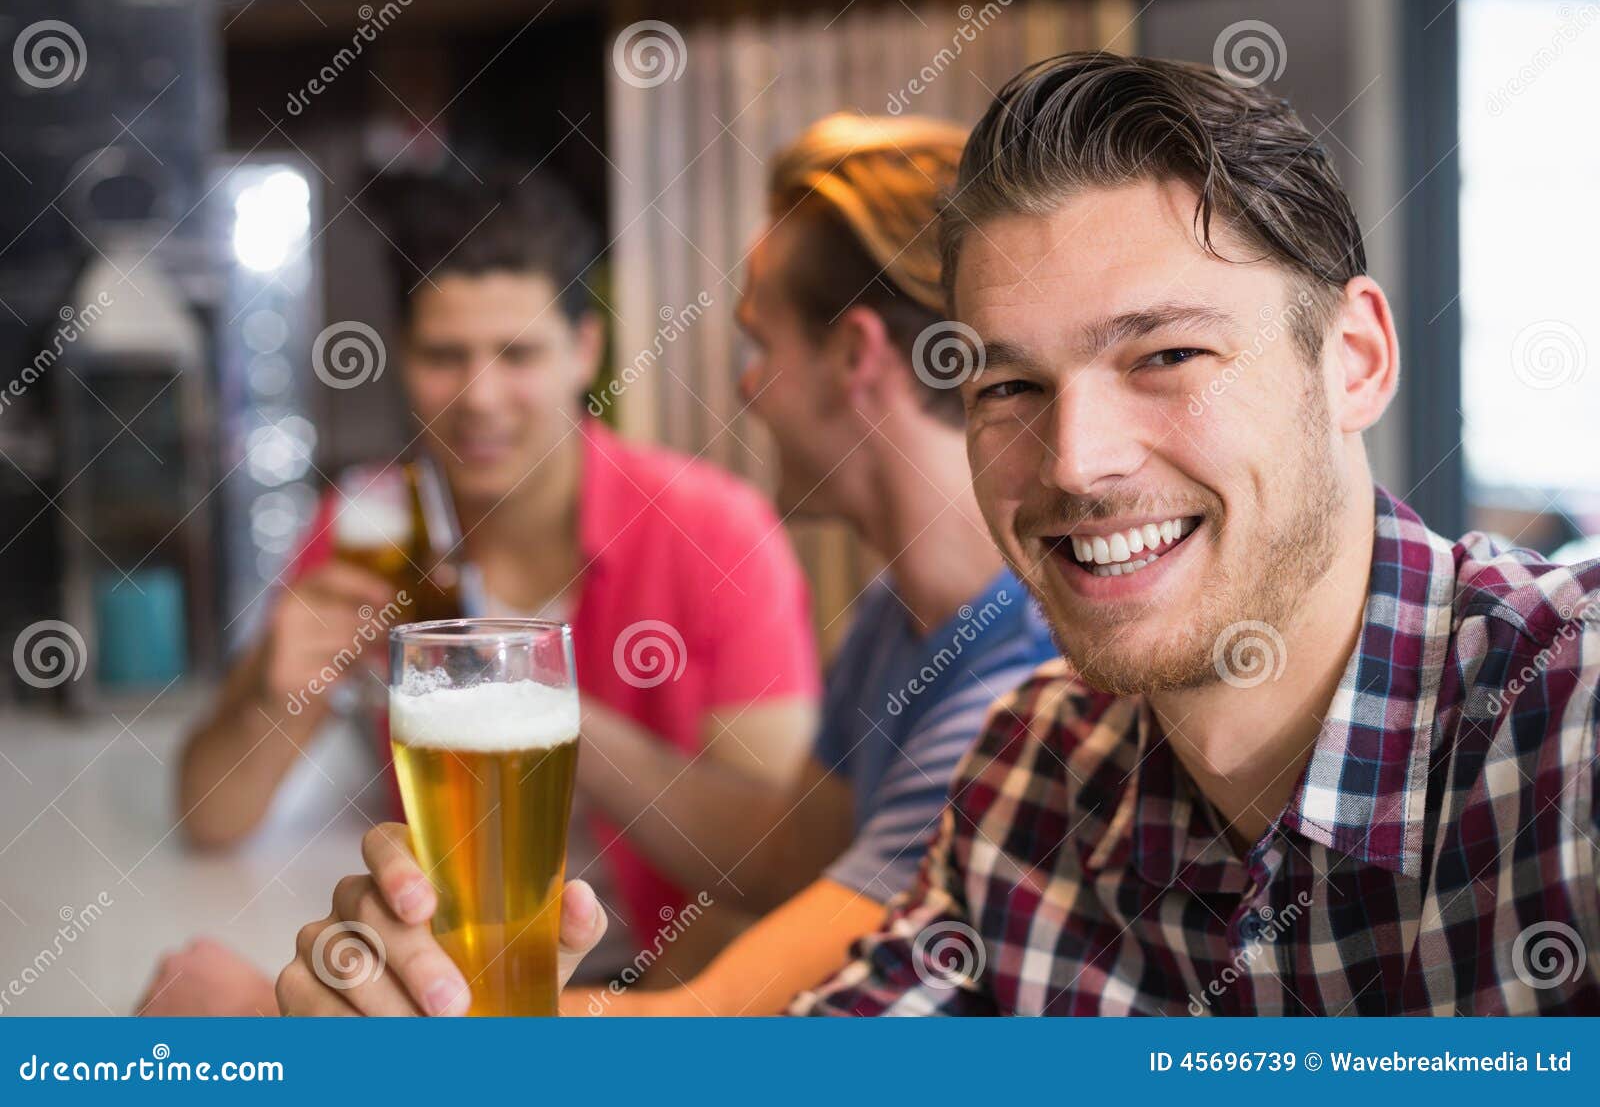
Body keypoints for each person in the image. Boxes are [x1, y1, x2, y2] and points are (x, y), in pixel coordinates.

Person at [793, 52, 1600, 1015]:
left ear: (1354, 361)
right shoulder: (1032, 774)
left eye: (1168, 355)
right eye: (1010, 387)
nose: (1074, 463)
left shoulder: (1571, 716)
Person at [275, 113, 1058, 1019]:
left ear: (856, 358)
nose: (744, 388)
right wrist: (520, 703)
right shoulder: (902, 614)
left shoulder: (1017, 690)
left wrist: (395, 1024)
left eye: (758, 345)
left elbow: (727, 1019)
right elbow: (778, 857)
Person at [148, 173, 819, 1014]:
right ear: (401, 356)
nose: (480, 397)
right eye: (444, 357)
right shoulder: (373, 527)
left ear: (584, 350)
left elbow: (771, 866)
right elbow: (209, 815)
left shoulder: (714, 532)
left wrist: (540, 716)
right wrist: (267, 698)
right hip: (450, 986)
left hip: (653, 1000)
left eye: (518, 353)